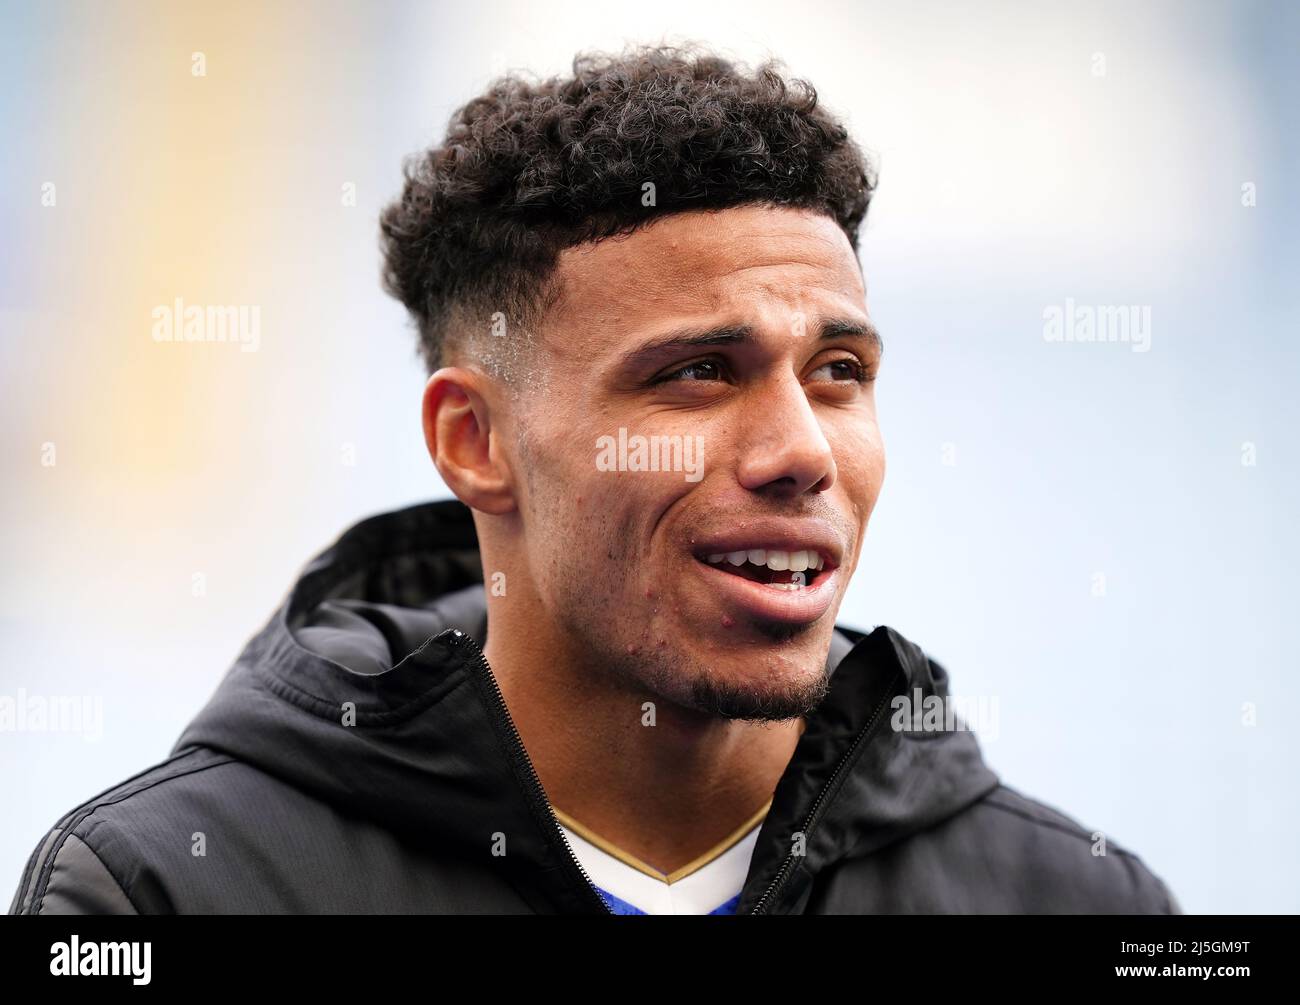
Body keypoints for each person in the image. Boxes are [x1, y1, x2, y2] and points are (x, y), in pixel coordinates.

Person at [11, 44, 1179, 915]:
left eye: (836, 372)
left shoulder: (1075, 902)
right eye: (695, 374)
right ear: (476, 441)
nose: (802, 452)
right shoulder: (161, 892)